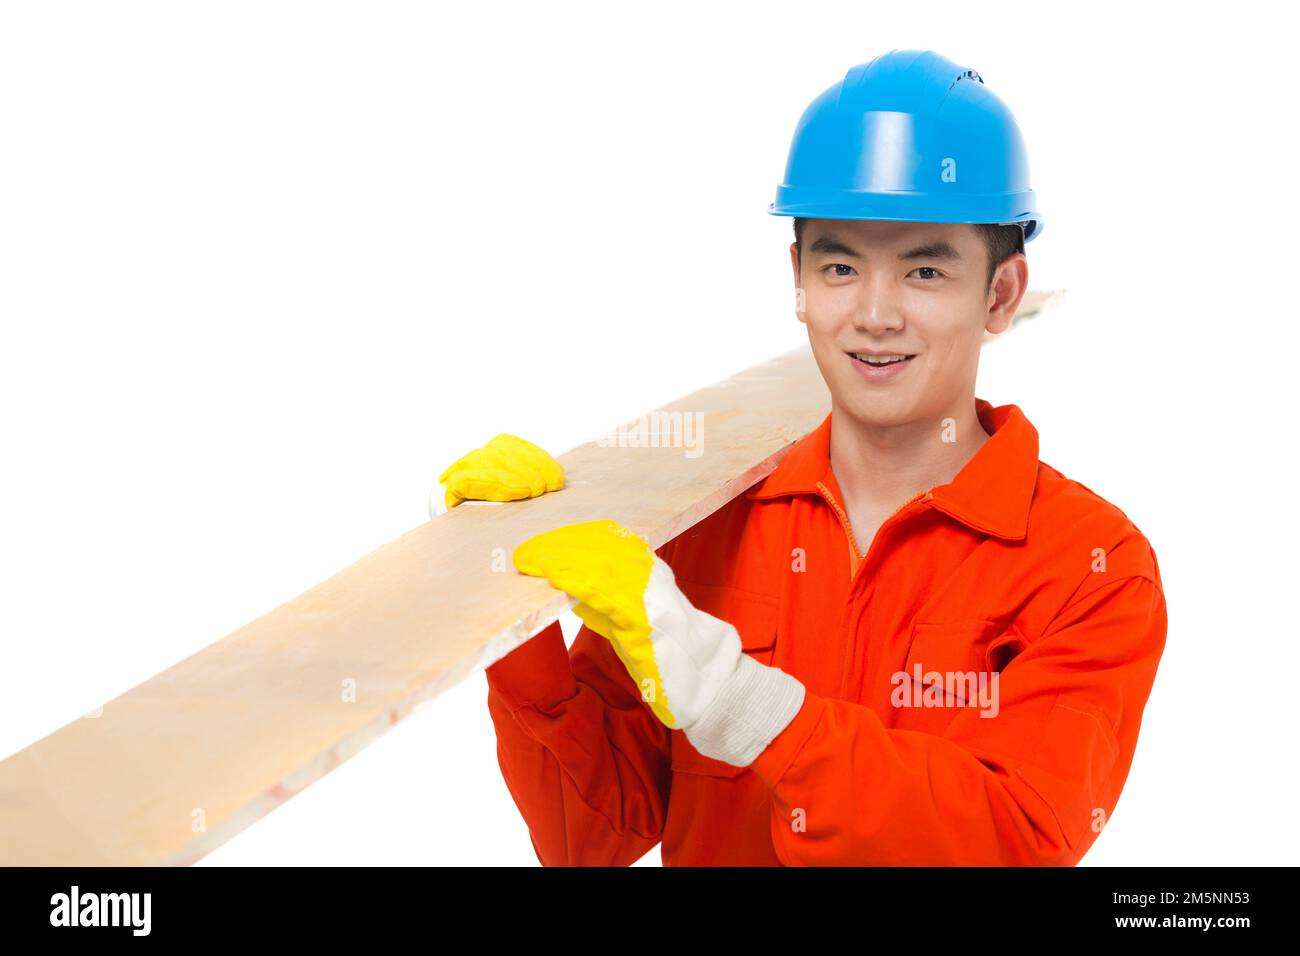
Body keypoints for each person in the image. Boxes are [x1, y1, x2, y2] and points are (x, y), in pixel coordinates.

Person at [440, 50, 1167, 866]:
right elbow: (592, 837)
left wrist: (736, 700)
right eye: (839, 267)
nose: (875, 314)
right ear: (799, 281)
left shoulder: (1089, 568)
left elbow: (1013, 838)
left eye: (925, 270)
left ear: (999, 294)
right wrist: (508, 600)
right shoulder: (703, 521)